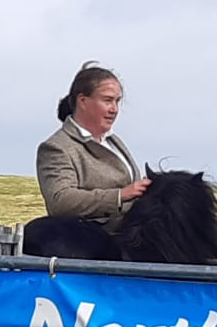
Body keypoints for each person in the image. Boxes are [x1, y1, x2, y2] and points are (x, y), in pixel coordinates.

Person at [35, 62, 150, 226]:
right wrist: (119, 195)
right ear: (82, 101)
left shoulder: (114, 141)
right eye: (107, 100)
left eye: (117, 101)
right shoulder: (57, 147)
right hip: (89, 237)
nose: (114, 109)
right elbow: (60, 201)